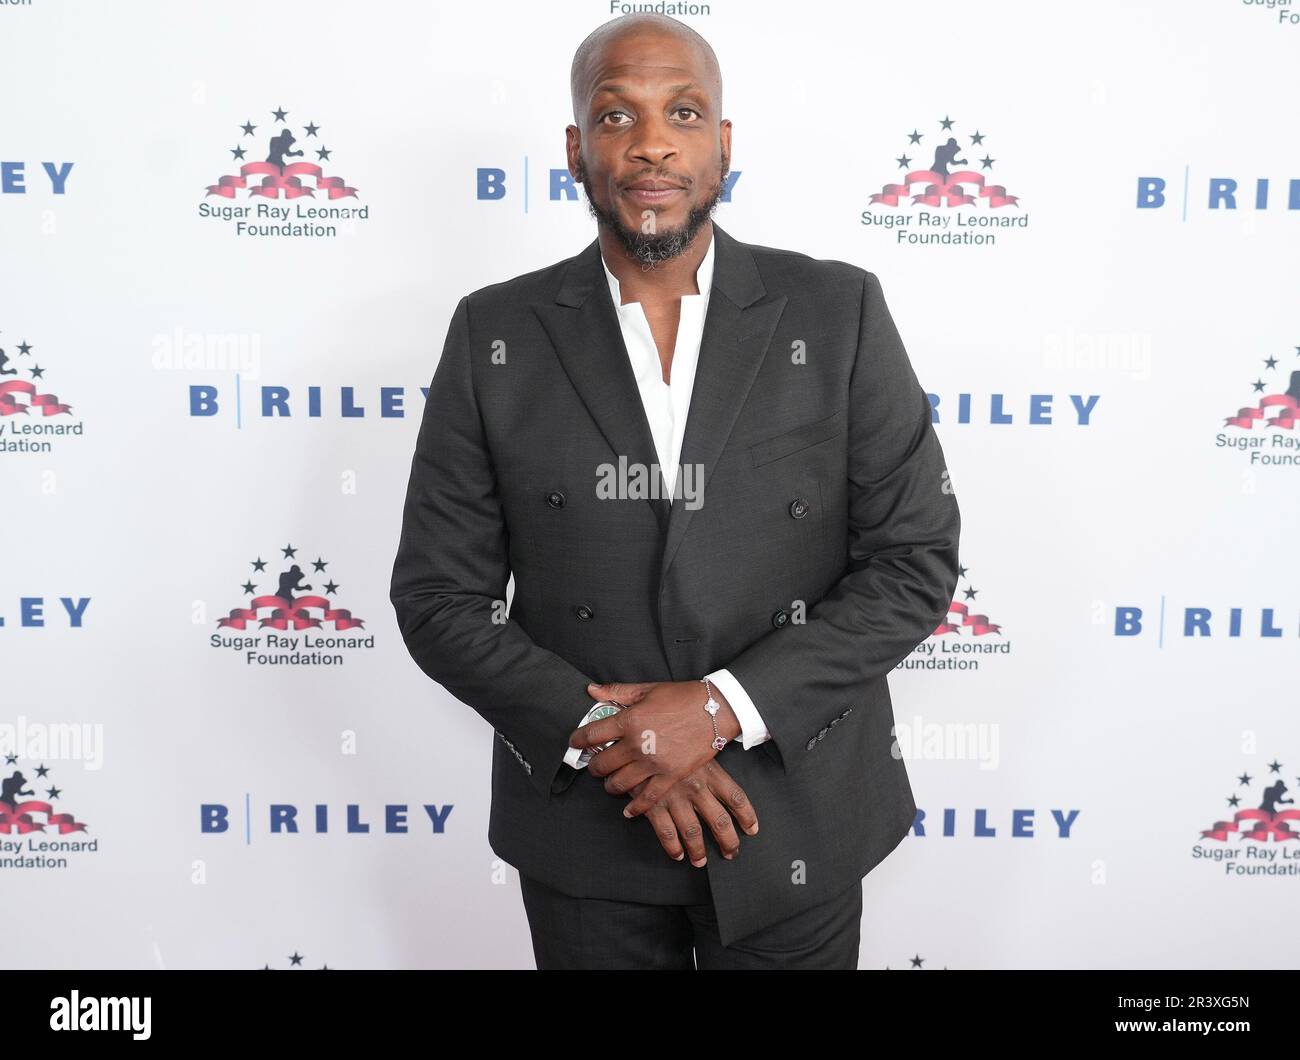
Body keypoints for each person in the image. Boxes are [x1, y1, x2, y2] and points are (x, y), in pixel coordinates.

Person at [389, 12, 960, 969]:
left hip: (795, 813)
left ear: (723, 145)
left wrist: (719, 710)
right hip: (587, 827)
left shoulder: (838, 311)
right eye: (617, 116)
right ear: (576, 150)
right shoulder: (495, 333)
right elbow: (439, 597)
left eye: (684, 114)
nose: (652, 142)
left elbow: (913, 562)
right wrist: (621, 737)